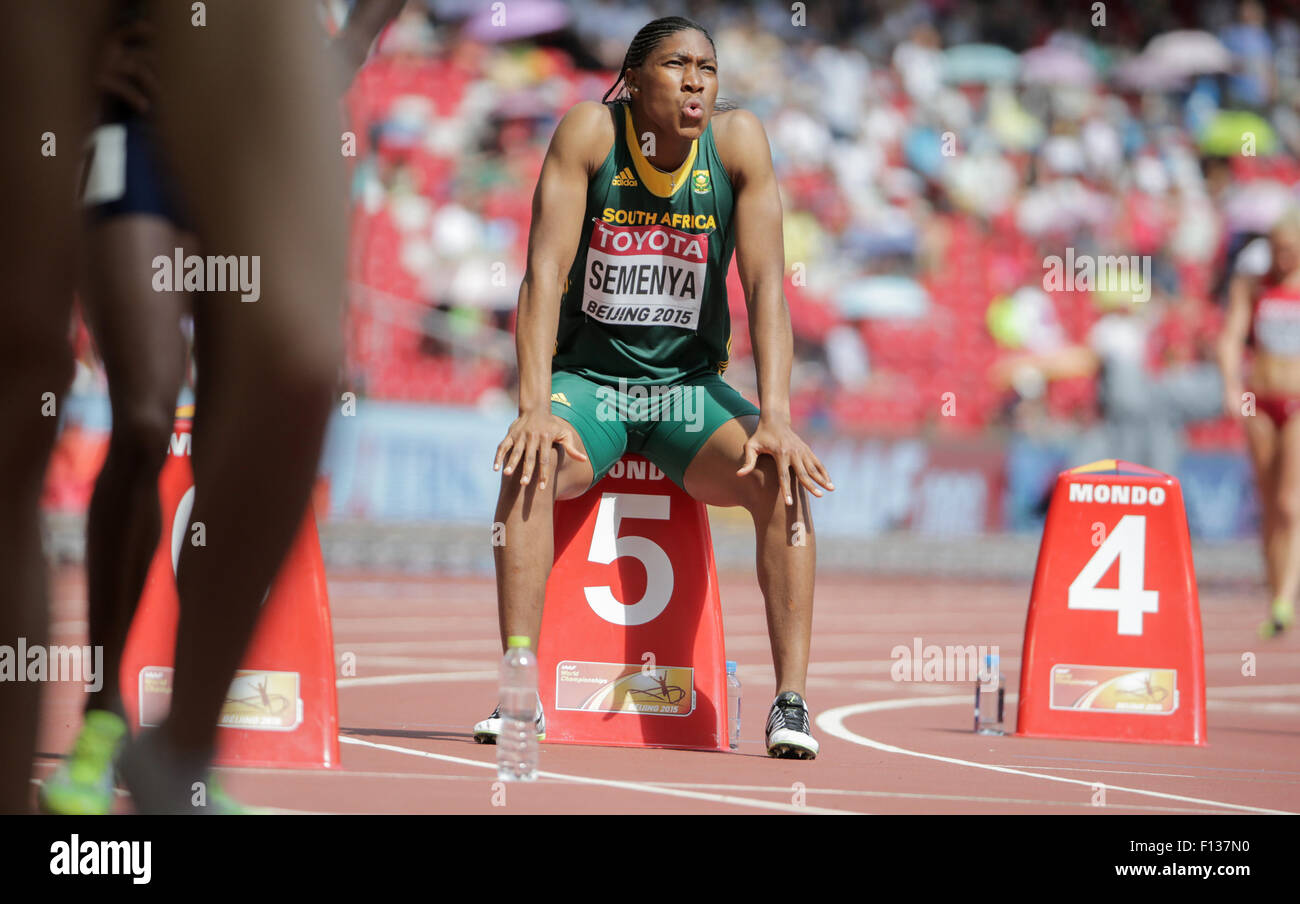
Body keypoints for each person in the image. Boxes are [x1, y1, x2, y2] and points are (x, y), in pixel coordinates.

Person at [34, 0, 402, 815]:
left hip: (266, 104)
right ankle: (101, 721)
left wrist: (347, 47)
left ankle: (182, 750)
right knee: (142, 414)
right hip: (136, 108)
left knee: (299, 380)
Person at [476, 16, 833, 759]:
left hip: (685, 392)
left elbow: (768, 286)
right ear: (634, 80)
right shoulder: (588, 135)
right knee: (529, 463)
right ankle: (519, 686)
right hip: (593, 385)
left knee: (781, 475)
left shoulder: (738, 145)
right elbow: (543, 274)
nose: (696, 79)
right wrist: (534, 408)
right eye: (676, 64)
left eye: (707, 65)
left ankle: (791, 703)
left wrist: (778, 417)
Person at [1219, 207, 1300, 639]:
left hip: (1297, 402)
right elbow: (1231, 337)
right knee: (1268, 501)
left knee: (1290, 503)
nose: (1284, 257)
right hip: (1258, 398)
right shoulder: (1254, 286)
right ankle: (1275, 596)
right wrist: (1232, 386)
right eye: (1278, 249)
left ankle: (1287, 597)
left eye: (1291, 250)